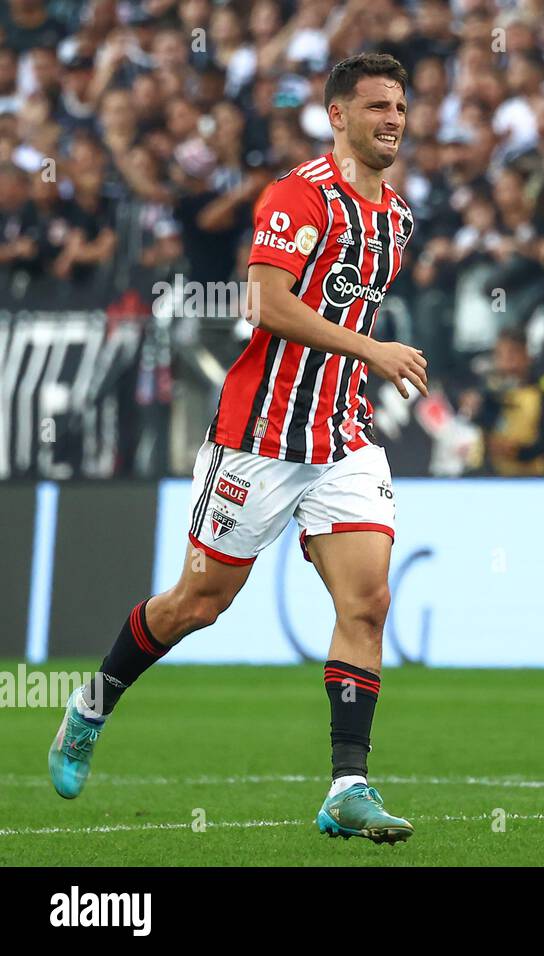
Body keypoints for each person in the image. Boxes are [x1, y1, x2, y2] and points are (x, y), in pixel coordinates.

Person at [48, 53, 428, 844]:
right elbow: (264, 302)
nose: (393, 119)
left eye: (400, 107)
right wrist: (370, 349)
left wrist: (357, 364)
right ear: (338, 116)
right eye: (377, 107)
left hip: (342, 439)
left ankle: (347, 785)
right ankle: (93, 703)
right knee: (199, 605)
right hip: (258, 438)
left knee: (369, 602)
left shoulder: (396, 219)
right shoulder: (300, 195)